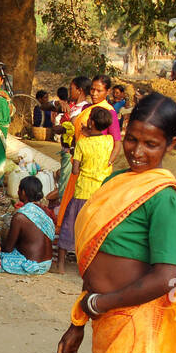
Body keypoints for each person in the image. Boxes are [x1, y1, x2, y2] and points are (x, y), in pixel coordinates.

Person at [57, 93, 176, 353]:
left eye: (151, 144)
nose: (137, 152)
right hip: (104, 316)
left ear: (170, 145)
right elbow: (93, 252)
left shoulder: (163, 196)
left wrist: (101, 303)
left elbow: (165, 277)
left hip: (132, 319)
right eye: (132, 140)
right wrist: (79, 320)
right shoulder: (113, 182)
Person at [53, 105, 115, 274]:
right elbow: (114, 144)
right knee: (95, 229)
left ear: (91, 122)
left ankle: (60, 266)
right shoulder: (109, 141)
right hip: (100, 193)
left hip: (82, 191)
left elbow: (75, 170)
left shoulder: (82, 144)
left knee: (69, 226)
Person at [0, 176, 54, 275]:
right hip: (47, 263)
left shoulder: (20, 216)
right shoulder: (45, 211)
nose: (17, 192)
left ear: (23, 192)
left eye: (19, 189)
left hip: (32, 265)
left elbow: (8, 248)